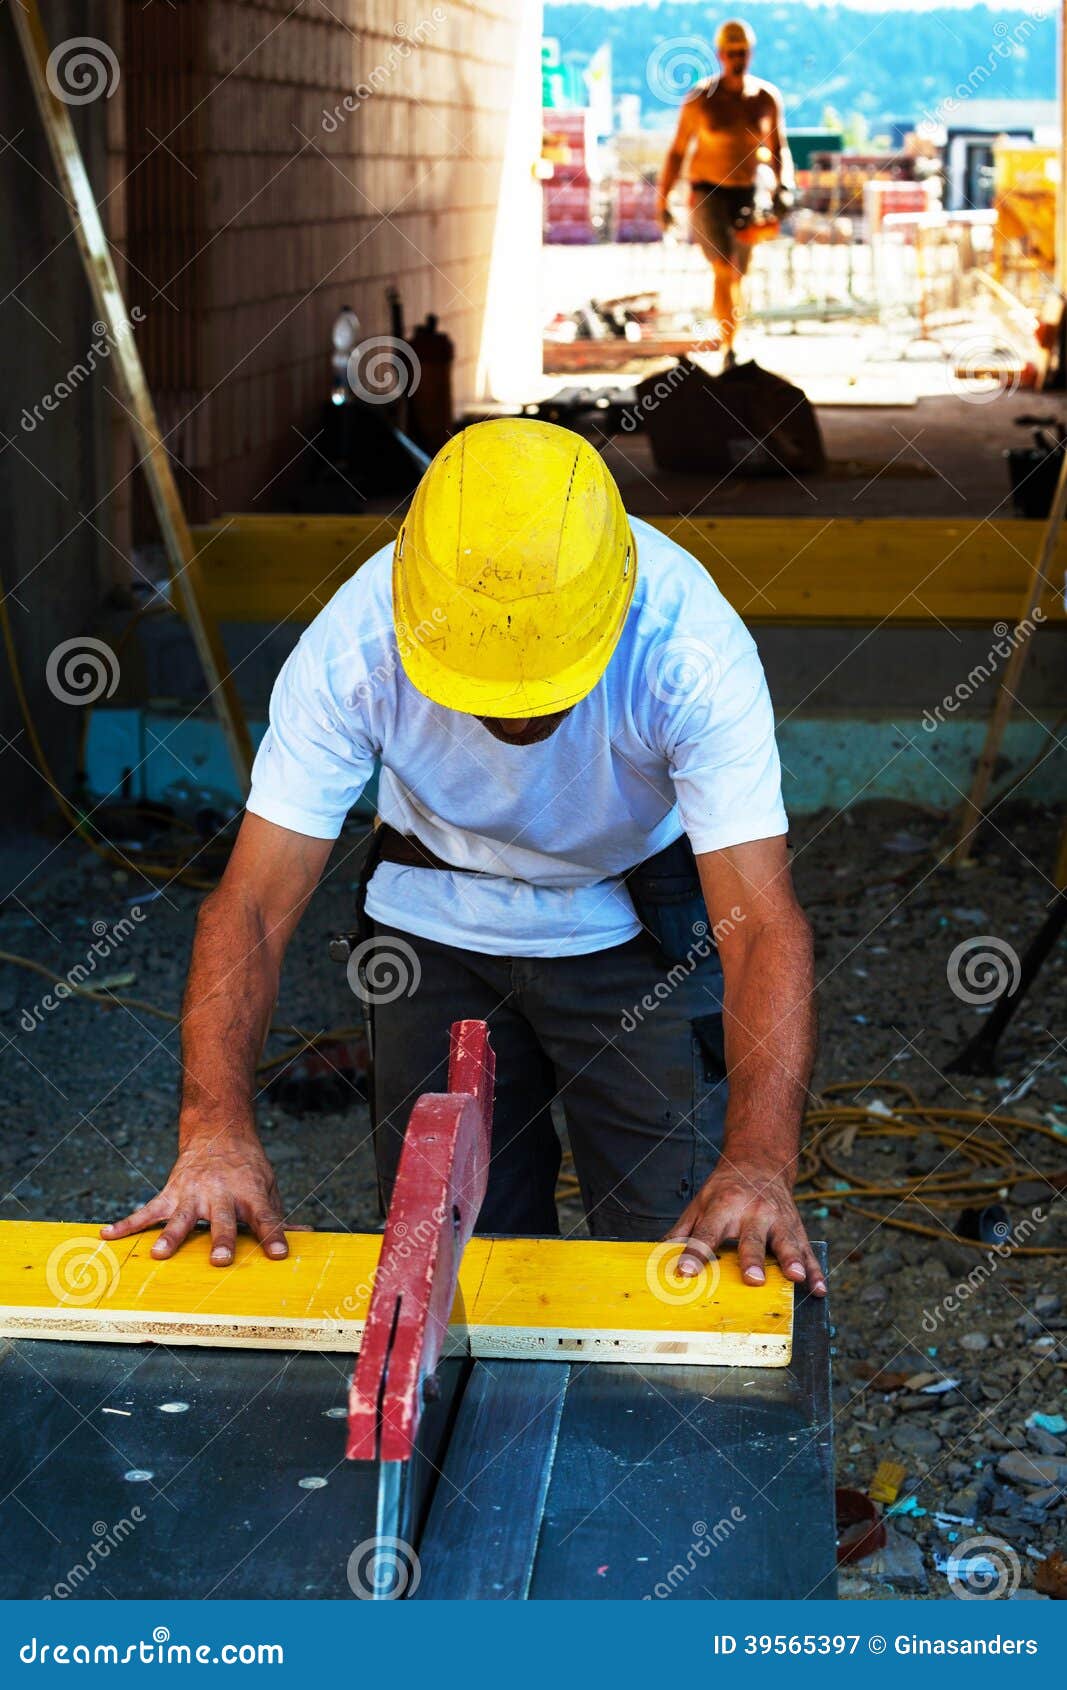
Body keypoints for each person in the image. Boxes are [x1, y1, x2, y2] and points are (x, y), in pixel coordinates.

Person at [101, 419, 824, 1297]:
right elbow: (250, 905)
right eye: (486, 686)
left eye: (543, 685)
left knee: (677, 1254)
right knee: (452, 1263)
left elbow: (761, 927)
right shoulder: (358, 642)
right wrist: (213, 1132)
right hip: (432, 923)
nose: (514, 717)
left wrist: (758, 1162)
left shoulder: (687, 646)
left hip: (634, 922)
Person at [657, 19, 793, 358]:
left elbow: (779, 149)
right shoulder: (701, 99)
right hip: (707, 193)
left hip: (746, 193)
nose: (737, 59)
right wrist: (664, 198)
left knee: (738, 274)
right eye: (731, 53)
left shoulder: (765, 99)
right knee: (723, 266)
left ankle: (732, 337)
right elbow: (677, 151)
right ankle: (728, 348)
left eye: (742, 52)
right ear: (720, 55)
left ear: (751, 53)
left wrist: (785, 186)